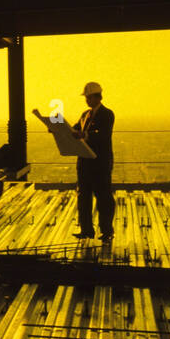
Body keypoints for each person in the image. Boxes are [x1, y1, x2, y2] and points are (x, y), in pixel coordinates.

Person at [71, 81, 115, 241]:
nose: (87, 100)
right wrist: (56, 127)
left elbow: (103, 135)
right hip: (85, 162)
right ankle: (86, 230)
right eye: (86, 97)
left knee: (103, 196)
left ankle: (107, 231)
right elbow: (75, 129)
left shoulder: (107, 114)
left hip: (99, 162)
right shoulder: (85, 115)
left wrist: (85, 135)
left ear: (97, 97)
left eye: (89, 97)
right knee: (84, 197)